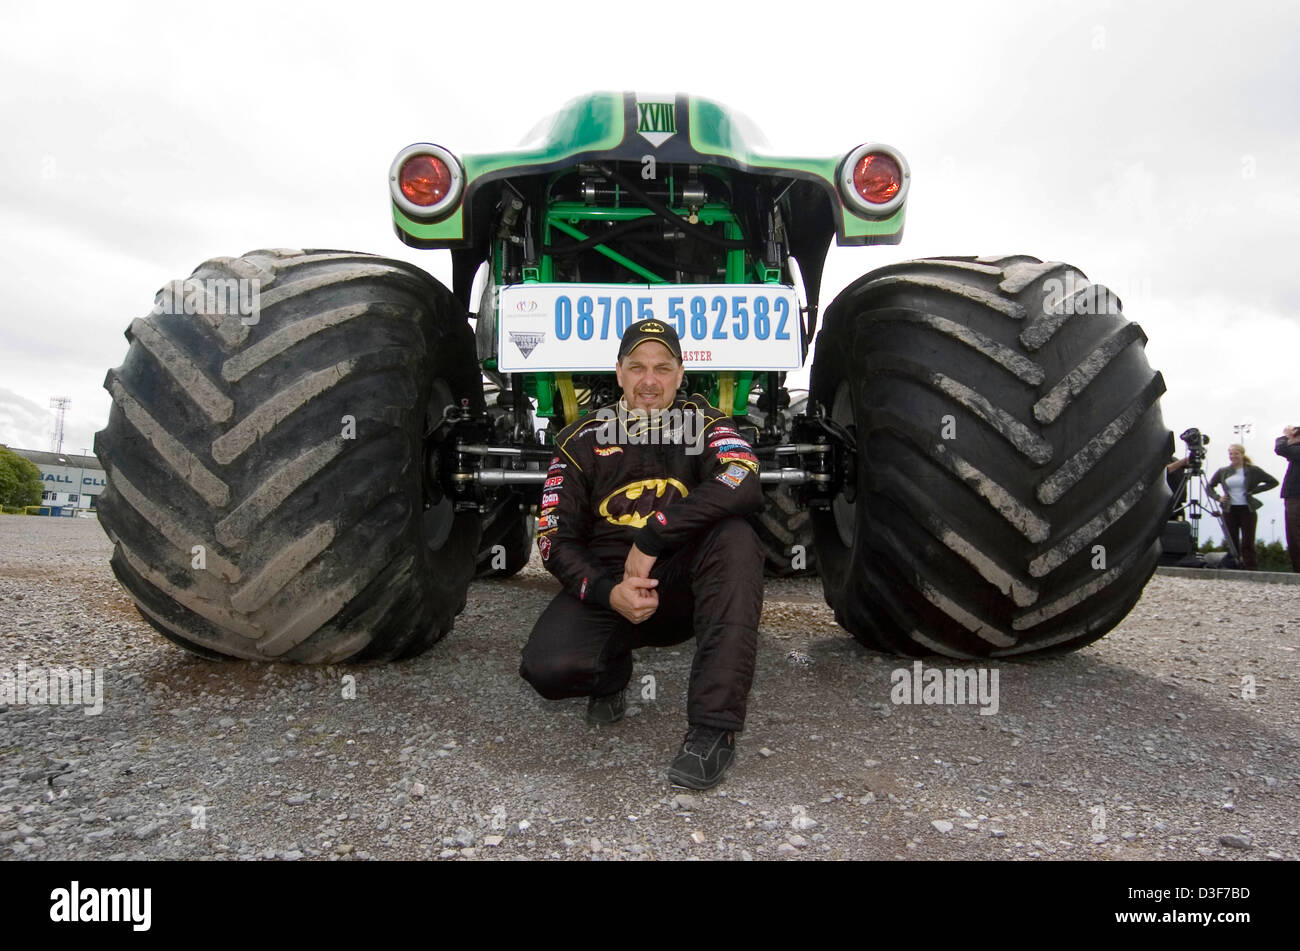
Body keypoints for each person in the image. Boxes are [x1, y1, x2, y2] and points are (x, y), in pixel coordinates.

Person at [519, 318, 765, 789]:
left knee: (737, 536)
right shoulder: (579, 441)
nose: (649, 381)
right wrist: (609, 592)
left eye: (662, 368)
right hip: (610, 587)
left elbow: (742, 478)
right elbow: (552, 538)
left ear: (680, 373)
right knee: (547, 669)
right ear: (618, 372)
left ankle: (714, 729)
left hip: (684, 587)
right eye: (637, 368)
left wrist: (654, 538)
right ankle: (610, 676)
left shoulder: (707, 423)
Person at [1207, 443, 1278, 569]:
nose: (1233, 456)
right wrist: (1218, 497)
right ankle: (1233, 566)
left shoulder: (1252, 470)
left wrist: (1254, 490)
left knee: (1248, 542)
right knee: (1232, 541)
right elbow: (1209, 487)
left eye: (1236, 453)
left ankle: (1251, 568)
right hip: (1229, 509)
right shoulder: (1223, 471)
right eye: (1230, 454)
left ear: (1242, 454)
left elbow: (1273, 482)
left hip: (1247, 509)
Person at [1275, 425, 1300, 571]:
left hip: (1296, 497)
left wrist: (1284, 436)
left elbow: (1281, 449)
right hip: (1293, 496)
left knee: (1295, 533)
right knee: (1292, 535)